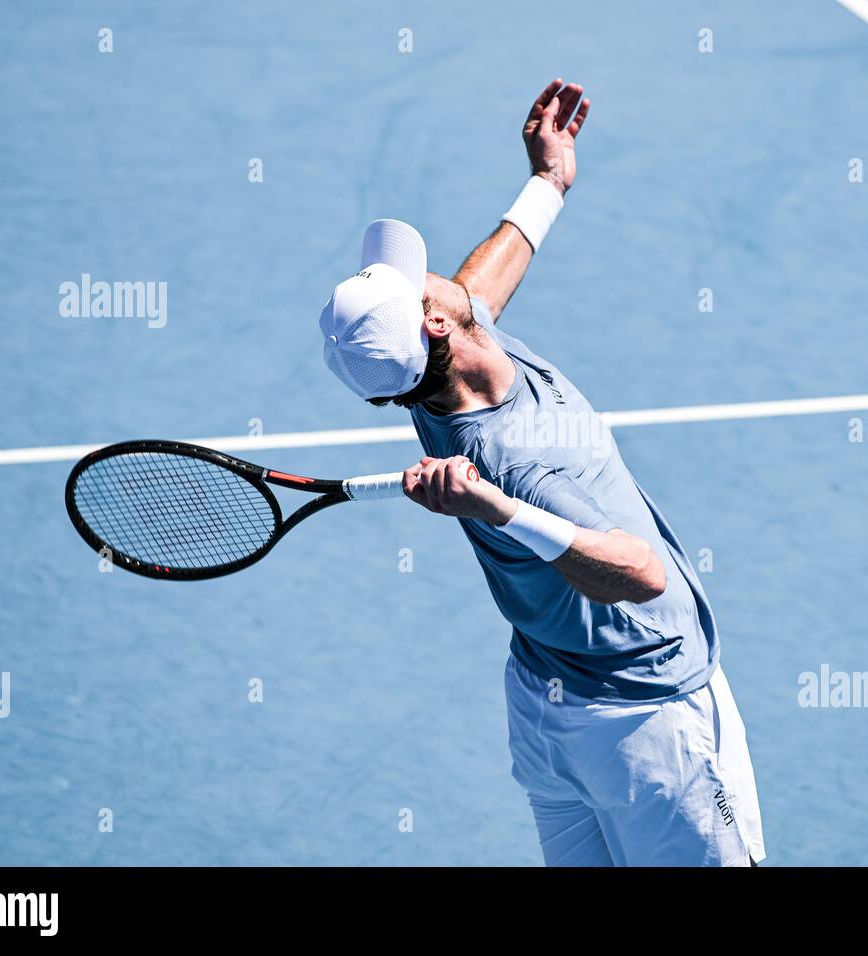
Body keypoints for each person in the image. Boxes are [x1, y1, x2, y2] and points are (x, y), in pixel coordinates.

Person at [317, 78, 764, 866]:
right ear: (431, 322)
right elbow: (639, 573)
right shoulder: (519, 462)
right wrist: (496, 509)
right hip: (648, 728)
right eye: (418, 286)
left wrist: (548, 182)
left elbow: (480, 287)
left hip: (545, 702)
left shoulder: (444, 361)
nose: (438, 281)